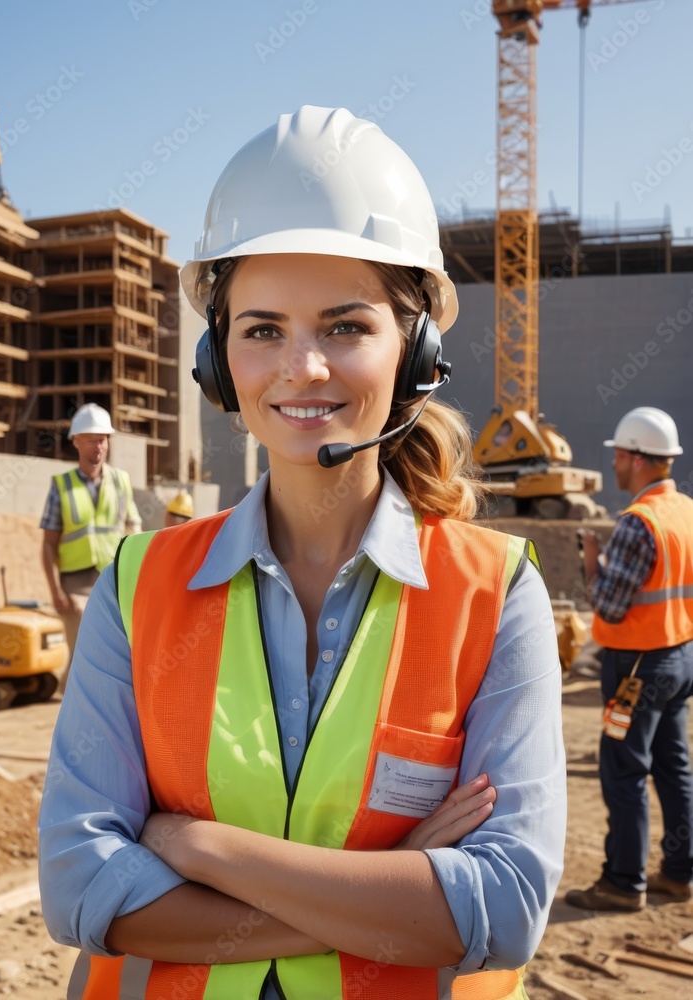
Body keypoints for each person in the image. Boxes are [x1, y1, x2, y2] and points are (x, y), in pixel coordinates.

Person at [39, 106, 566, 999]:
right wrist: (392, 889)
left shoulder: (497, 592)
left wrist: (198, 847)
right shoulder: (136, 587)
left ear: (416, 352)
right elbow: (80, 888)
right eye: (262, 329)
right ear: (217, 360)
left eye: (347, 326)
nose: (303, 367)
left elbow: (505, 907)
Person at [566, 407, 693, 912]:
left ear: (638, 459)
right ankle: (681, 873)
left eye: (619, 455)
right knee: (673, 767)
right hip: (679, 657)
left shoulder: (639, 525)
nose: (614, 464)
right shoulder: (684, 509)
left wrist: (591, 560)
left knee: (623, 773)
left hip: (636, 668)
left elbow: (609, 607)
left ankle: (623, 881)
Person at [40, 402, 141, 689]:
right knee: (83, 643)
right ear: (76, 442)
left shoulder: (121, 482)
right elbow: (48, 544)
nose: (99, 447)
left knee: (116, 648)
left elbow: (134, 530)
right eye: (91, 441)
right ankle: (71, 700)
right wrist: (55, 591)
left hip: (112, 577)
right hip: (74, 582)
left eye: (103, 440)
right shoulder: (62, 485)